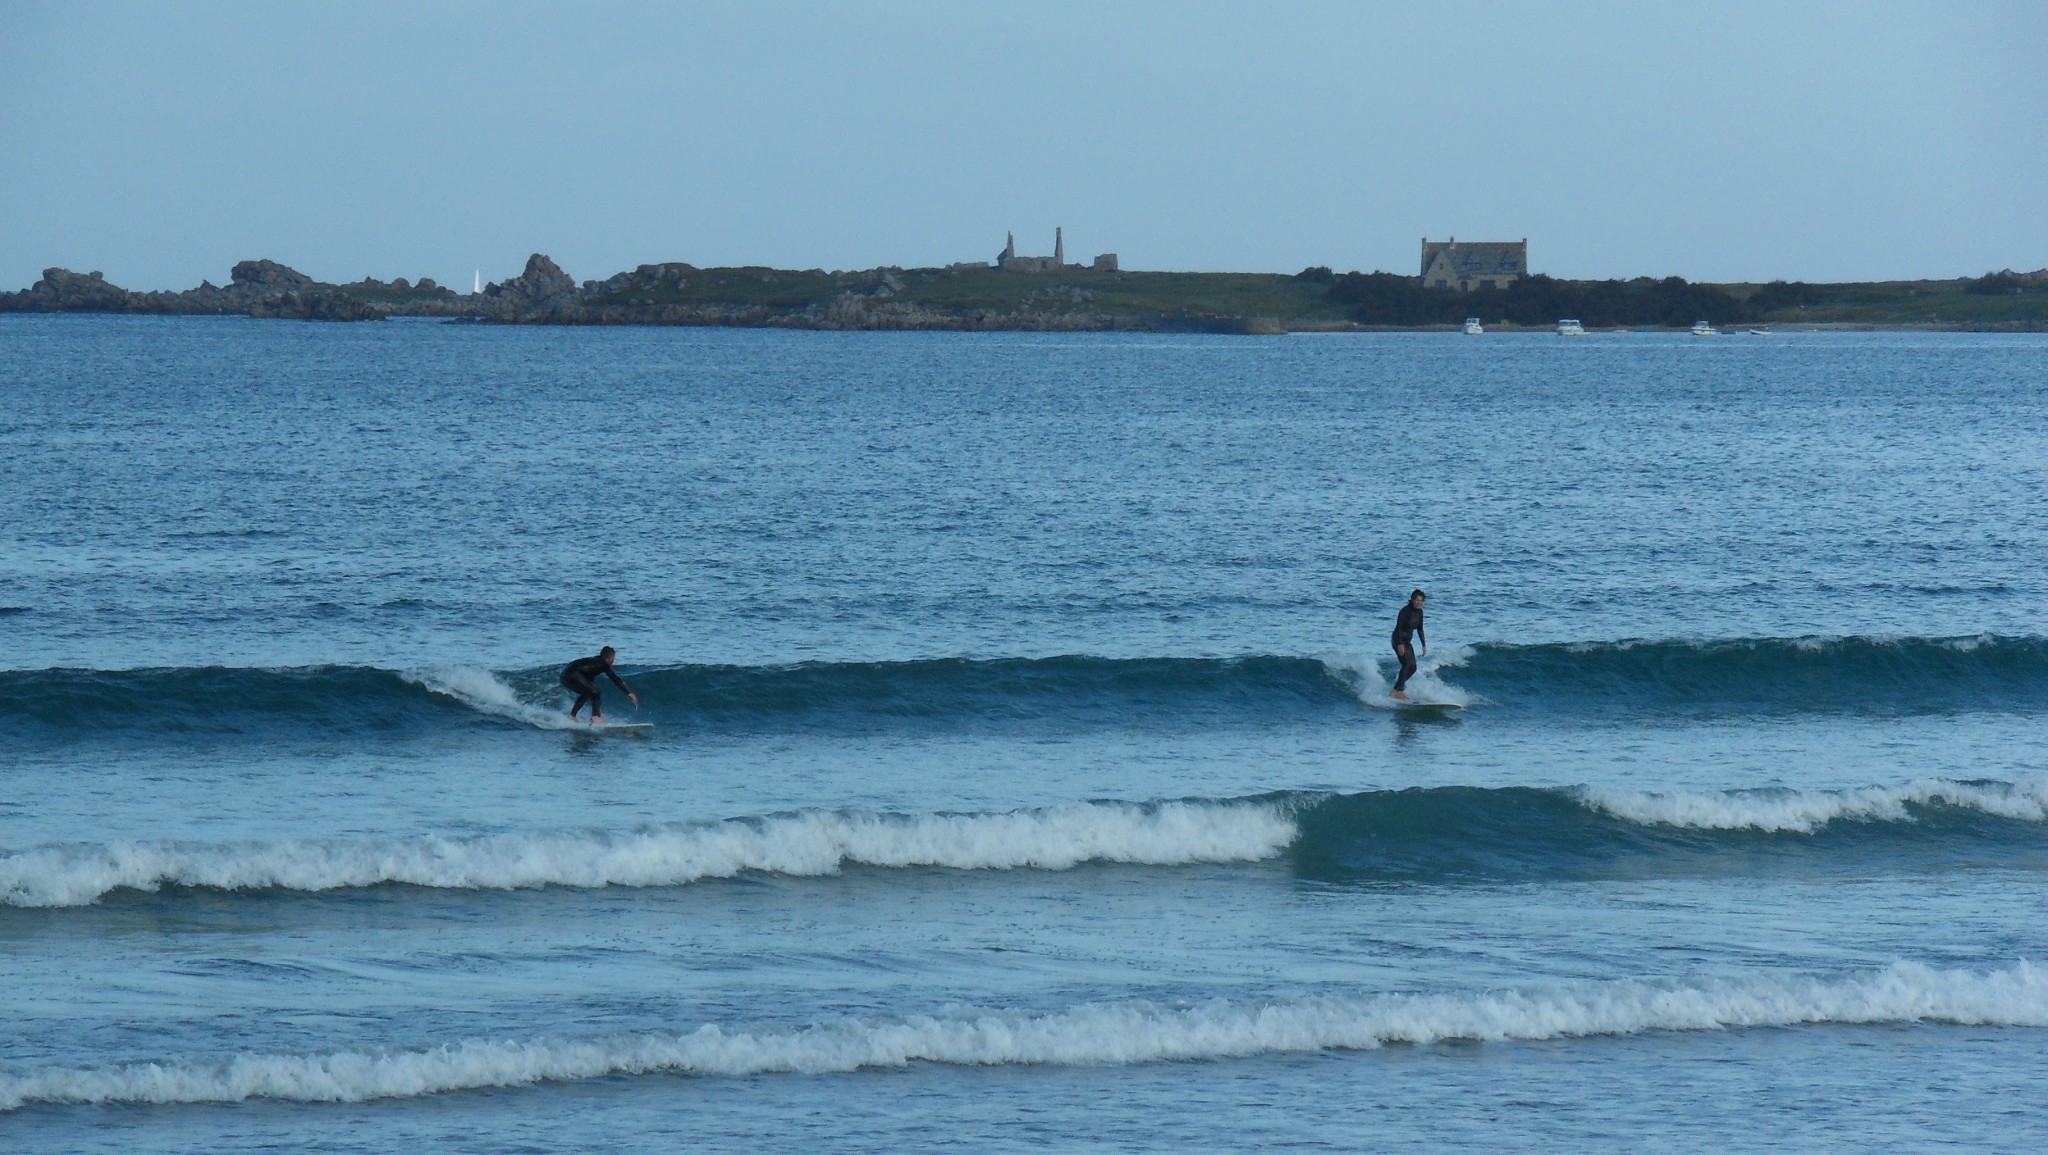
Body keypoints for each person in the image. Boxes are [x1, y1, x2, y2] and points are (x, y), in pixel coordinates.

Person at [560, 646, 638, 723]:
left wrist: (597, 707)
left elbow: (588, 681)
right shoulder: (603, 663)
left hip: (565, 676)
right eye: (613, 659)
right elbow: (615, 679)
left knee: (588, 692)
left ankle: (572, 716)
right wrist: (629, 692)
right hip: (572, 674)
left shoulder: (595, 662)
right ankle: (595, 717)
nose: (613, 661)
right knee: (595, 691)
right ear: (610, 657)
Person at [1389, 589, 1427, 700]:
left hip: (1407, 641)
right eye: (1417, 600)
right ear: (1412, 600)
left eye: (1421, 601)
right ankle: (1396, 691)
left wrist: (1423, 645)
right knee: (1406, 664)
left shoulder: (1420, 612)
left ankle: (1397, 689)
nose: (1419, 602)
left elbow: (1420, 628)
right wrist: (1399, 644)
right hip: (1398, 640)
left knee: (1413, 667)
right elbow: (1398, 628)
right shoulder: (1405, 611)